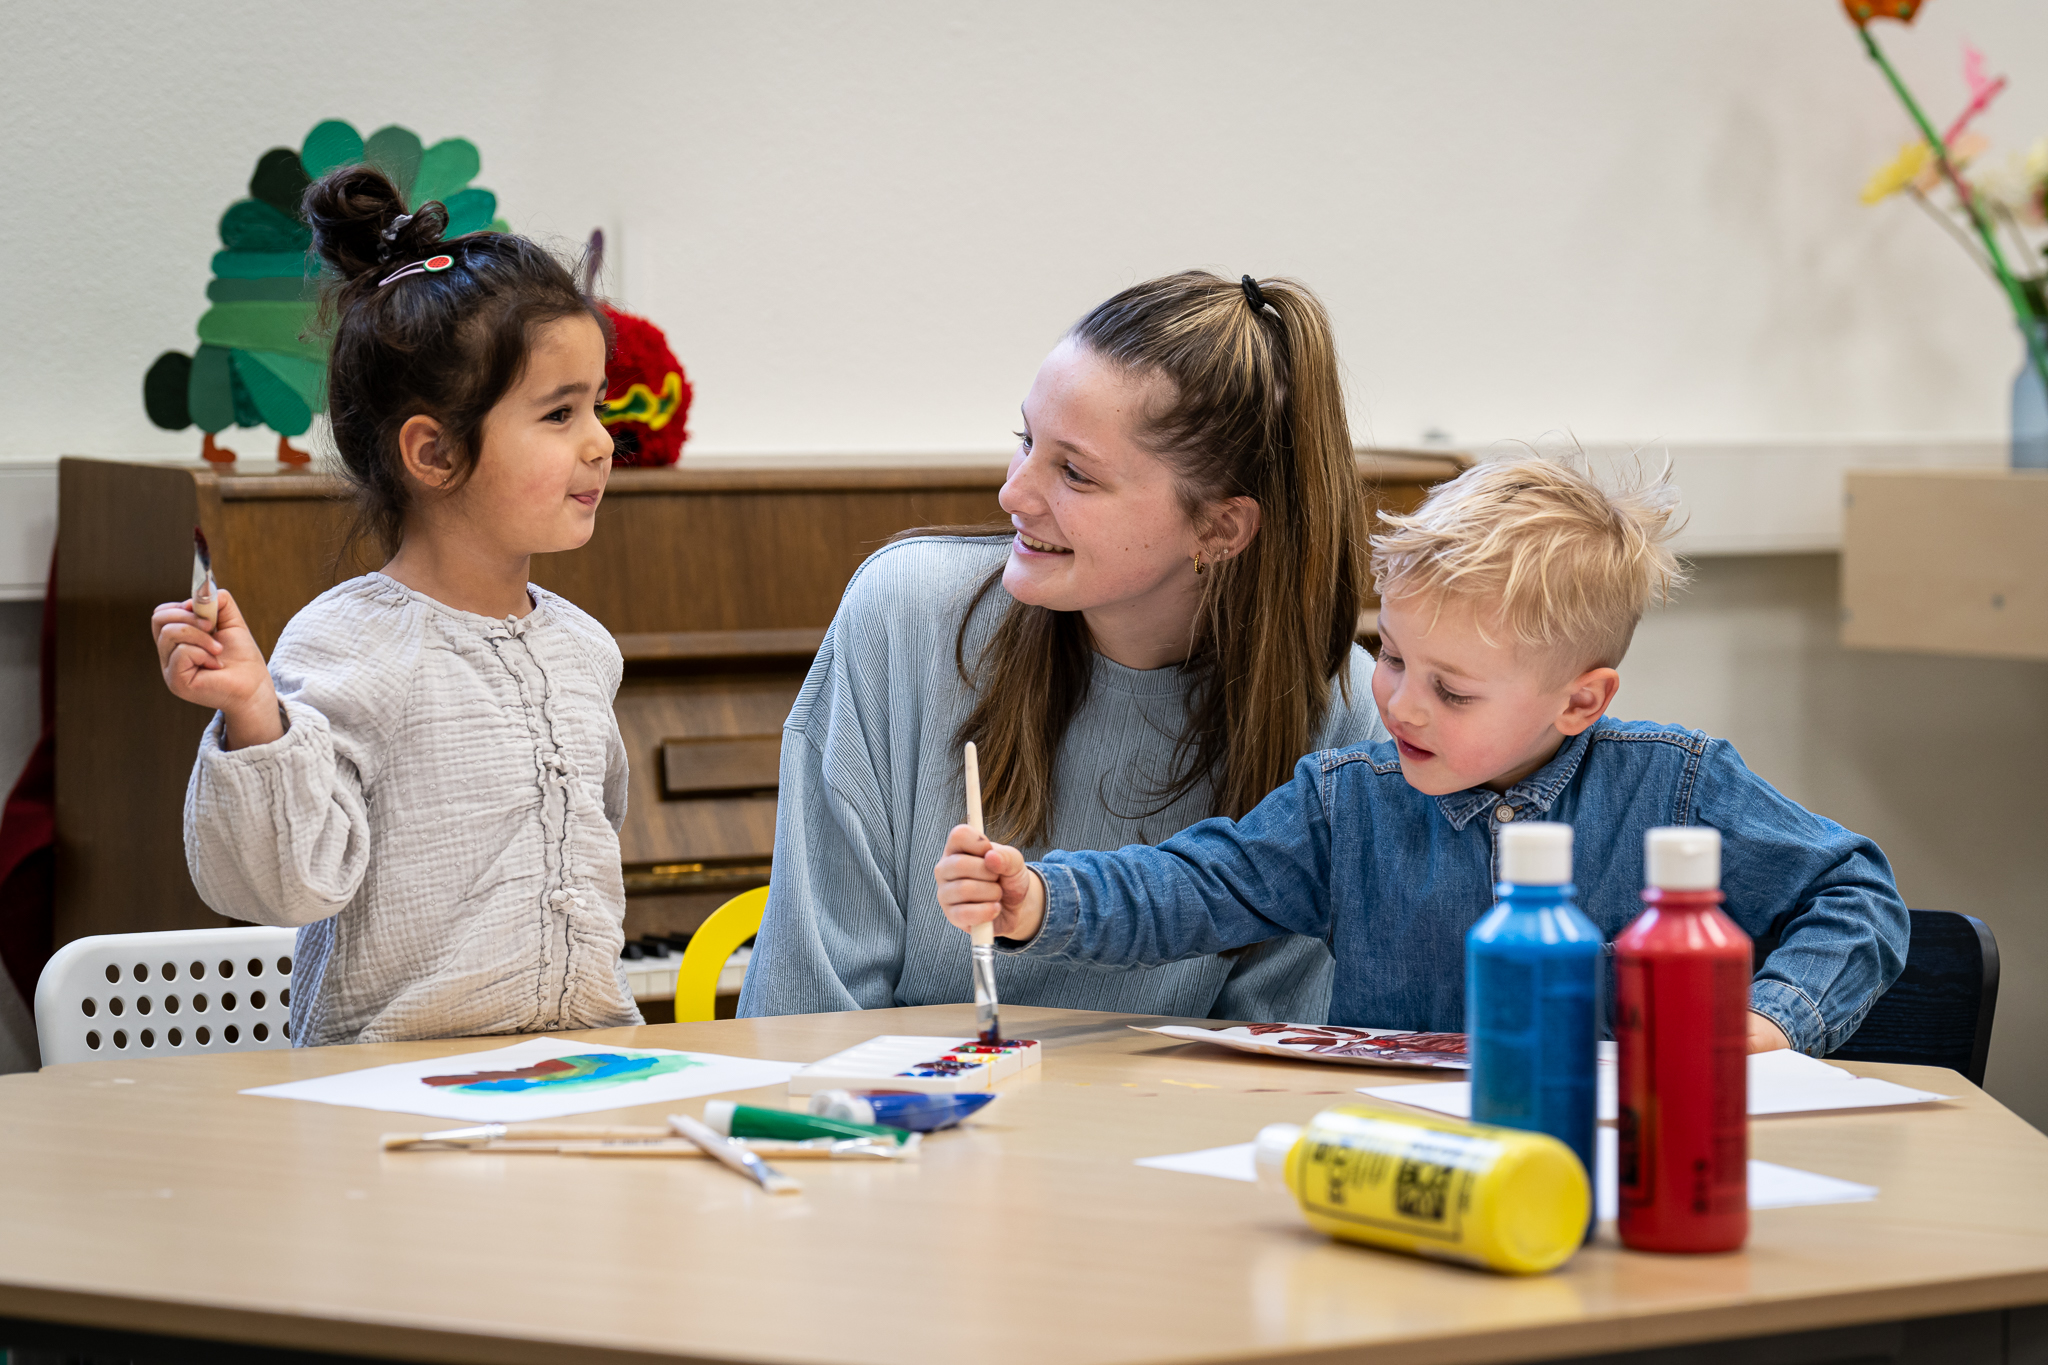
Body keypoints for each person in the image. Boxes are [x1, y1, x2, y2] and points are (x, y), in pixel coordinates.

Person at [935, 456, 1910, 1056]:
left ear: (1580, 700)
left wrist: (1774, 1019)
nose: (1398, 702)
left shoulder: (1677, 788)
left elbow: (1854, 894)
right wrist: (1040, 900)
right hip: (1407, 1159)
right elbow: (1191, 885)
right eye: (1391, 656)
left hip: (1615, 1151)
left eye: (1451, 688)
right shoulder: (1345, 804)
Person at [739, 272, 1389, 1023]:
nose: (1013, 492)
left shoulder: (1344, 717)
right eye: (1025, 441)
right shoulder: (901, 615)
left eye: (1074, 471)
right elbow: (804, 1016)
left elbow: (1275, 1062)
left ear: (1219, 529)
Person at [149, 165, 639, 1046]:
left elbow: (593, 846)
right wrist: (256, 715)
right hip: (389, 1101)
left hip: (583, 1069)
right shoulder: (349, 643)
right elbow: (283, 887)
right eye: (560, 414)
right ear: (434, 451)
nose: (602, 441)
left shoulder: (586, 648)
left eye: (595, 407)